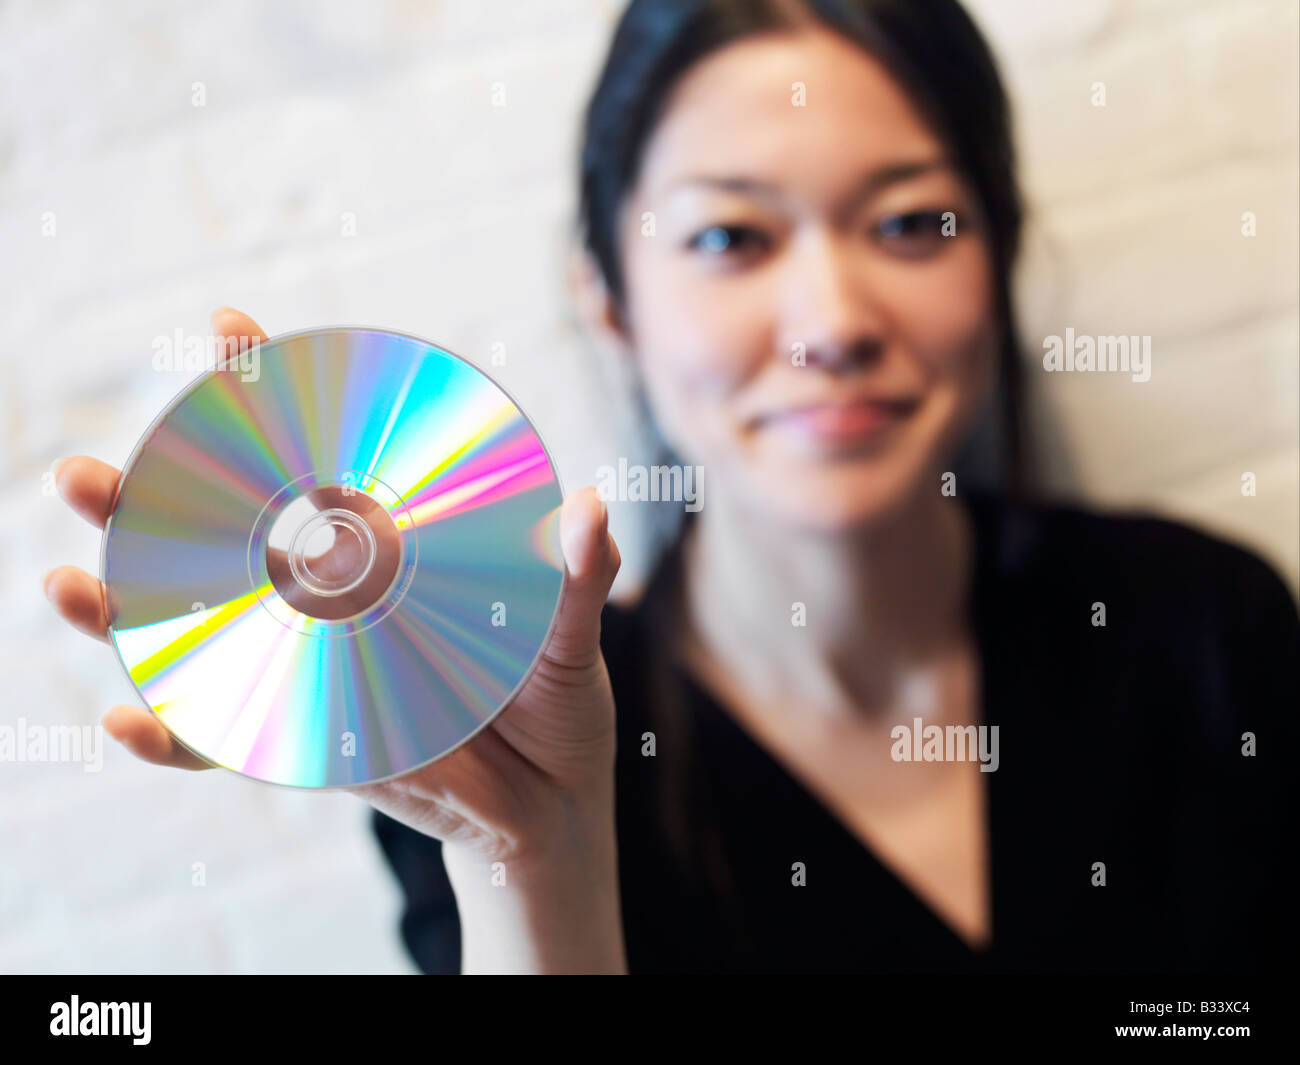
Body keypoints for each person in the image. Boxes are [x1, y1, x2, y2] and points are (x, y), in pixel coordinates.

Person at [45, 0, 1297, 974]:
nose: (829, 322)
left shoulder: (1202, 630)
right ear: (608, 296)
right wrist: (532, 857)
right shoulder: (488, 747)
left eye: (912, 223)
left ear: (1001, 250)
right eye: (728, 238)